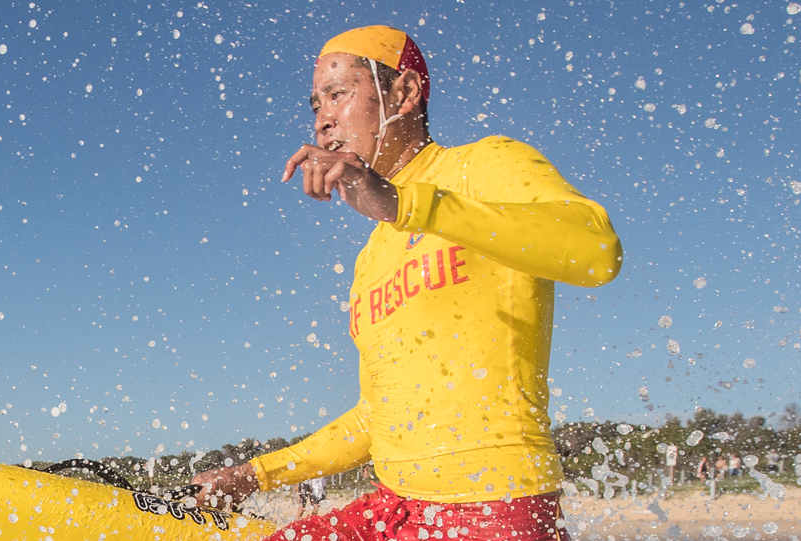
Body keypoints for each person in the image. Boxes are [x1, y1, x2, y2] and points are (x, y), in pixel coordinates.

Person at [191, 24, 623, 541]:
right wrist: (254, 474)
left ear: (405, 93)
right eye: (315, 104)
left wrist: (405, 204)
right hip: (395, 508)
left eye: (338, 93)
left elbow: (596, 251)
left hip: (494, 507)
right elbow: (375, 417)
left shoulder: (482, 165)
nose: (323, 118)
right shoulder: (371, 256)